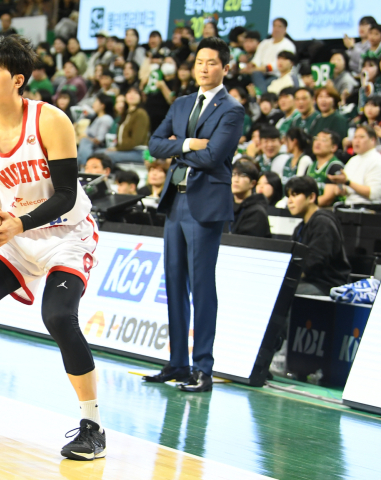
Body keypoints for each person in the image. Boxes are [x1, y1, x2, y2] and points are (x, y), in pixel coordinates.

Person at [0, 34, 105, 461]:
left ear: (17, 79)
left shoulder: (50, 120)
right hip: (15, 235)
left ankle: (92, 427)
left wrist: (17, 223)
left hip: (67, 235)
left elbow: (68, 194)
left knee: (57, 316)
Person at [146, 37, 243, 393]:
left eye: (212, 62)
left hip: (206, 205)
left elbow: (214, 157)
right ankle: (177, 363)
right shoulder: (182, 102)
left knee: (201, 288)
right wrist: (187, 144)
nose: (204, 67)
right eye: (200, 61)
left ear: (225, 68)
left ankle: (203, 368)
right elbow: (154, 145)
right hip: (177, 202)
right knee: (173, 285)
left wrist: (178, 151)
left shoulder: (232, 108)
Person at [286, 176, 351, 295]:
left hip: (327, 285)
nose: (289, 201)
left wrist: (287, 278)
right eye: (288, 196)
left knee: (284, 292)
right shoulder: (300, 227)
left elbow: (314, 262)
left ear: (311, 197)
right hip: (308, 281)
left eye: (294, 195)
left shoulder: (323, 222)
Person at [328, 124, 381, 205]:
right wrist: (340, 186)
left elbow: (374, 194)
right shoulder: (353, 160)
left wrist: (348, 182)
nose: (356, 141)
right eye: (355, 137)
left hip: (369, 209)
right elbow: (347, 189)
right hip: (349, 206)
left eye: (361, 137)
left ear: (372, 140)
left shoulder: (377, 160)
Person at [104, 86, 149, 163]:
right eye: (129, 93)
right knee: (98, 153)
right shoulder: (126, 114)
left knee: (106, 157)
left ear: (140, 97)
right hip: (125, 150)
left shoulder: (141, 114)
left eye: (135, 93)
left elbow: (136, 141)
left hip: (137, 152)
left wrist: (117, 149)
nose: (132, 95)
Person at [250, 18, 296, 93]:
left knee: (266, 84)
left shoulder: (288, 45)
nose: (276, 29)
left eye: (279, 26)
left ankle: (263, 96)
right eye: (274, 26)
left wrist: (261, 68)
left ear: (285, 29)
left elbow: (277, 65)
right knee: (254, 75)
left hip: (276, 75)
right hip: (260, 74)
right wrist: (251, 66)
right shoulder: (264, 43)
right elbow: (256, 59)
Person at [229, 159, 271, 237]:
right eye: (233, 174)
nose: (236, 180)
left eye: (242, 175)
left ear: (252, 183)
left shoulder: (257, 212)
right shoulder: (225, 206)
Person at [307, 130, 346, 207]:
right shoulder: (310, 166)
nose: (318, 143)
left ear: (333, 147)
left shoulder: (336, 166)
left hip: (330, 212)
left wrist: (304, 204)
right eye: (316, 139)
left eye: (323, 140)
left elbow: (327, 199)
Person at [77, 93, 115, 167]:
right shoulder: (96, 117)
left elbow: (99, 140)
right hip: (87, 145)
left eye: (96, 102)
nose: (93, 104)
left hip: (96, 147)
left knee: (85, 141)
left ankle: (85, 165)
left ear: (102, 105)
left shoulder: (106, 119)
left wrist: (86, 137)